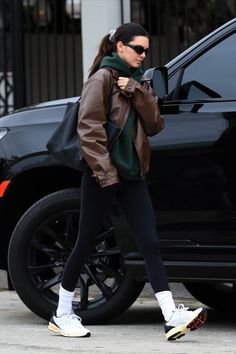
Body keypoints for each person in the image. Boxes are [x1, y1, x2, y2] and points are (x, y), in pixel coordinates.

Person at [48, 22, 207, 341]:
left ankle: (170, 315)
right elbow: (89, 130)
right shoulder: (101, 79)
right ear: (120, 46)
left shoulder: (137, 81)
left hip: (132, 174)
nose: (143, 55)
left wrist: (136, 90)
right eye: (138, 49)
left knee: (149, 242)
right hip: (103, 175)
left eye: (146, 50)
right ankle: (62, 313)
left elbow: (155, 124)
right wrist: (105, 174)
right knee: (85, 243)